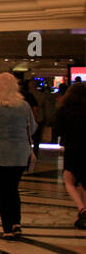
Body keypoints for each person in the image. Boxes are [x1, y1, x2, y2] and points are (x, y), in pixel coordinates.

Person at [0, 72, 37, 240]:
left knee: (2, 191)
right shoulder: (24, 106)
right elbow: (32, 128)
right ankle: (16, 224)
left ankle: (7, 228)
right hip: (20, 154)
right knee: (13, 189)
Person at [51, 81, 86, 229]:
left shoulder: (63, 110)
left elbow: (57, 129)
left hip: (72, 149)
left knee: (69, 181)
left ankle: (82, 210)